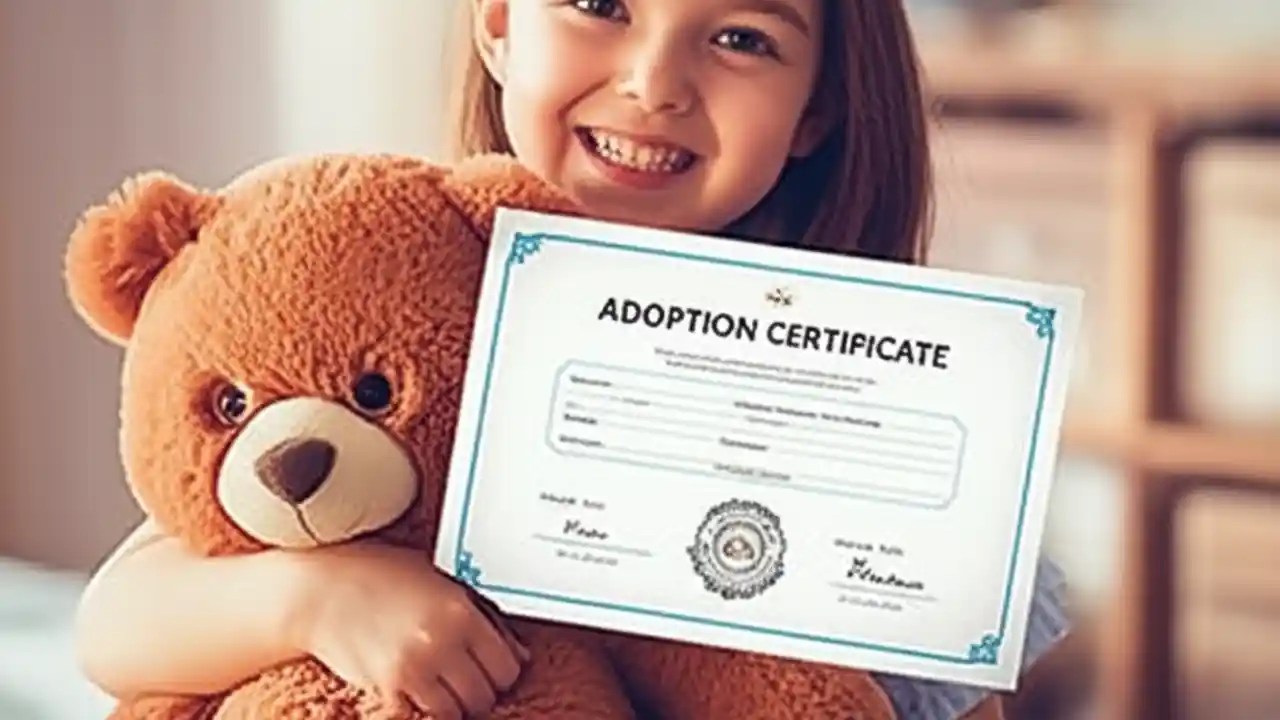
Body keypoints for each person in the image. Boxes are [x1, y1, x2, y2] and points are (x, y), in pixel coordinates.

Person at [74, 1, 1070, 719]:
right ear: (499, 23)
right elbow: (116, 623)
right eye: (599, 3)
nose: (653, 83)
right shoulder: (393, 282)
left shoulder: (885, 409)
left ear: (817, 109)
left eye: (739, 38)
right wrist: (317, 597)